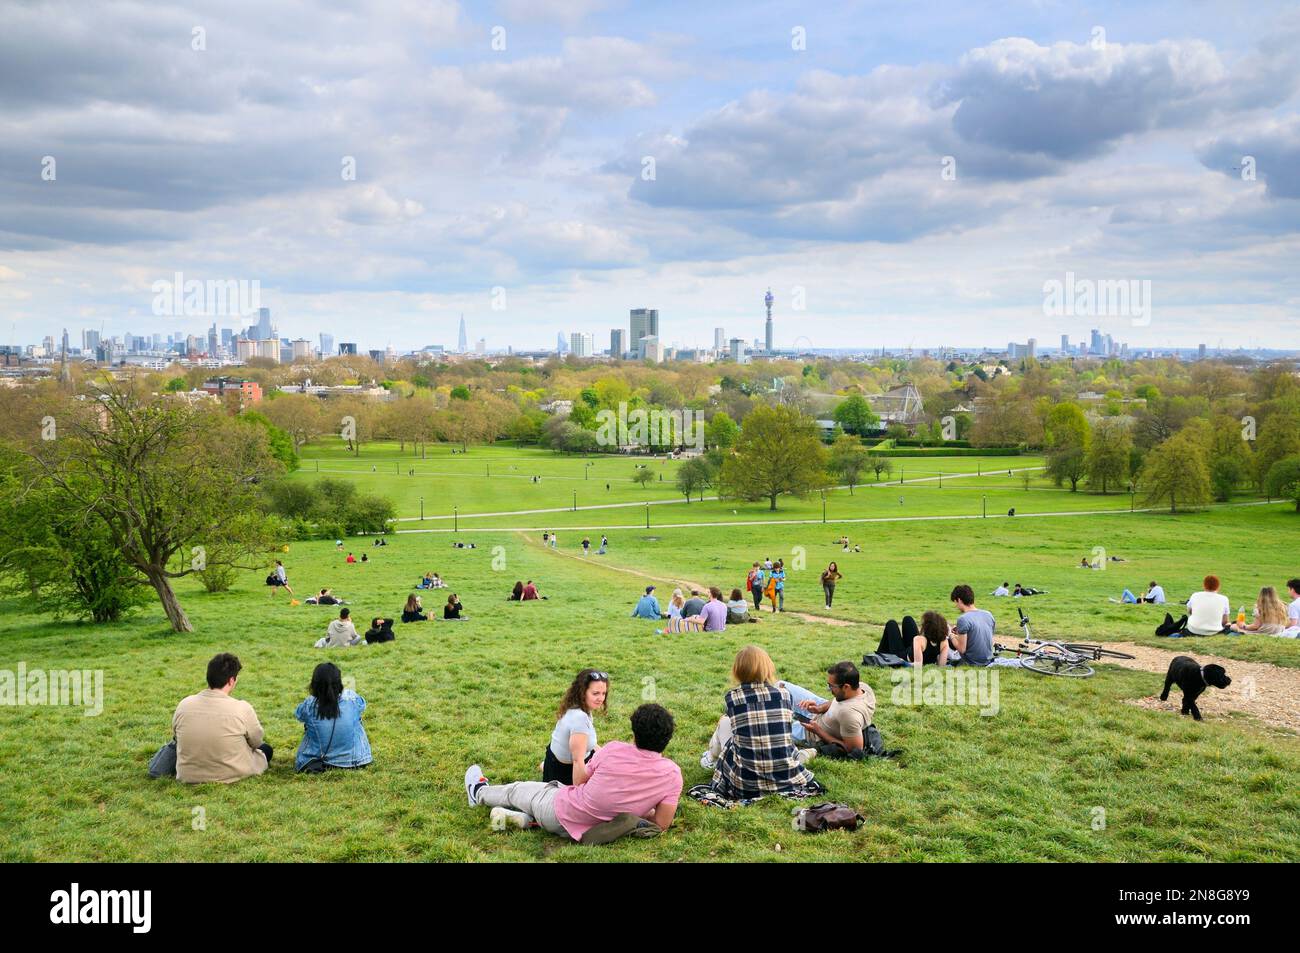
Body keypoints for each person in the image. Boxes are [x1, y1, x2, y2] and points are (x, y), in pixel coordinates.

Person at [465, 703, 681, 843]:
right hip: (600, 832)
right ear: (667, 739)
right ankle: (524, 819)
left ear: (634, 732)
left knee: (517, 789)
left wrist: (578, 757)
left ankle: (478, 793)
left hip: (561, 813)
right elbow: (661, 824)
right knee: (548, 797)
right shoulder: (672, 775)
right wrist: (640, 808)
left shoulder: (614, 749)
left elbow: (578, 781)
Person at [701, 646, 817, 796]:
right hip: (785, 774)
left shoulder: (732, 697)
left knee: (724, 722)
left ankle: (711, 758)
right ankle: (795, 757)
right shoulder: (785, 695)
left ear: (737, 670)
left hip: (746, 783)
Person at [172, 653, 271, 783]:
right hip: (232, 772)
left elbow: (176, 737)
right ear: (231, 680)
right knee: (266, 749)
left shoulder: (184, 704)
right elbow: (257, 742)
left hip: (188, 774)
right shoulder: (242, 708)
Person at [780, 661, 875, 756]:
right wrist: (818, 708)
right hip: (820, 712)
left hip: (811, 734)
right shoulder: (863, 688)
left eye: (831, 686)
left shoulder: (849, 715)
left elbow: (854, 749)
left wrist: (818, 731)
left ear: (846, 687)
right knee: (780, 686)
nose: (829, 689)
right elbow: (837, 702)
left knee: (772, 732)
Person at [293, 662, 373, 772]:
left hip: (319, 760)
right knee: (356, 718)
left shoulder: (309, 704)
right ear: (339, 682)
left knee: (309, 724)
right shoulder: (351, 698)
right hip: (355, 760)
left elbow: (298, 715)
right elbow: (362, 705)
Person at [543, 669, 608, 785]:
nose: (601, 698)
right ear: (583, 692)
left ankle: (545, 766)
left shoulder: (580, 707)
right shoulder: (579, 718)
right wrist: (579, 792)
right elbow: (577, 761)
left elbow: (588, 742)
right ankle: (547, 769)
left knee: (611, 762)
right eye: (595, 693)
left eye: (603, 693)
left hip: (555, 760)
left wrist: (609, 757)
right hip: (567, 771)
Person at [878, 612, 950, 670]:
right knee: (908, 619)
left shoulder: (919, 640)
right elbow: (941, 666)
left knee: (891, 624)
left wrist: (903, 662)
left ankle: (879, 654)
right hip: (913, 650)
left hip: (903, 656)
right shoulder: (944, 642)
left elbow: (918, 665)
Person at [948, 584, 995, 666]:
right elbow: (980, 636)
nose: (956, 606)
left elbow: (961, 649)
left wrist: (950, 635)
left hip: (972, 662)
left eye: (955, 603)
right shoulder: (988, 614)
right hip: (988, 659)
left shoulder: (963, 619)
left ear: (959, 600)